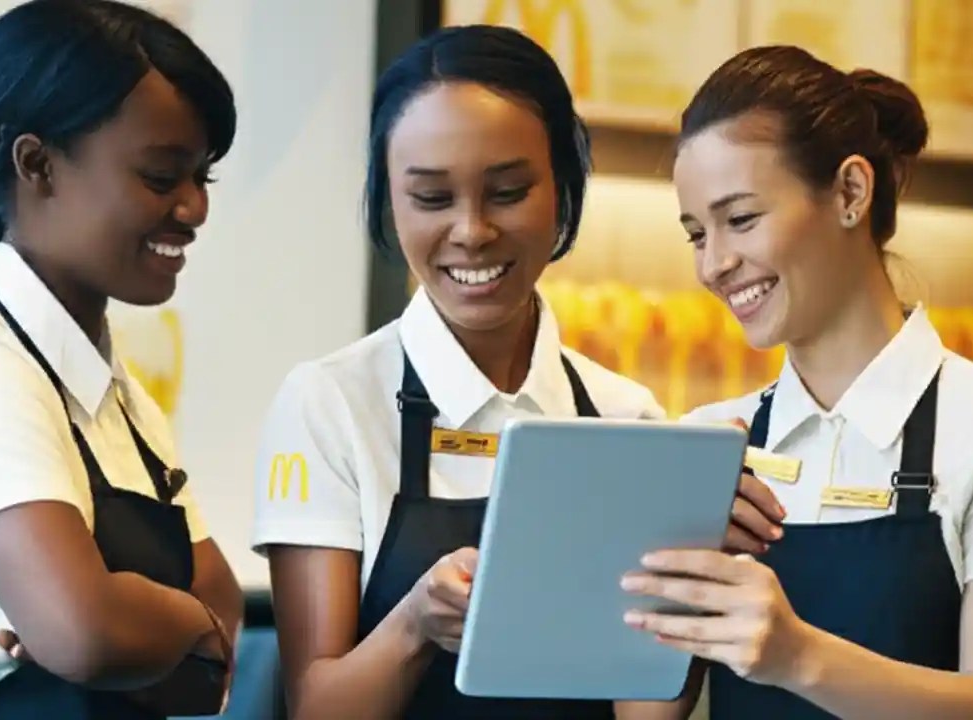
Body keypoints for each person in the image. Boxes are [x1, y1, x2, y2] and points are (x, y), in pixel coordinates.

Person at [250, 24, 784, 720]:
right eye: (432, 199)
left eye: (506, 192)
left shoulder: (630, 420)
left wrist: (691, 578)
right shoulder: (330, 405)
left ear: (563, 187)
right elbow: (316, 708)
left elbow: (643, 716)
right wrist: (415, 624)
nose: (471, 230)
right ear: (389, 199)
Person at [620, 45, 973, 719]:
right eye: (696, 234)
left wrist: (796, 654)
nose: (715, 264)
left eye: (741, 219)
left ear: (850, 193)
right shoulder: (705, 441)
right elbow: (645, 716)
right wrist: (674, 551)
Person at [0, 1, 242, 718]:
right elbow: (85, 634)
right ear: (36, 164)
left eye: (205, 178)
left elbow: (221, 620)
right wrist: (181, 626)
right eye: (163, 177)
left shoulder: (119, 395)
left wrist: (149, 621)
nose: (194, 208)